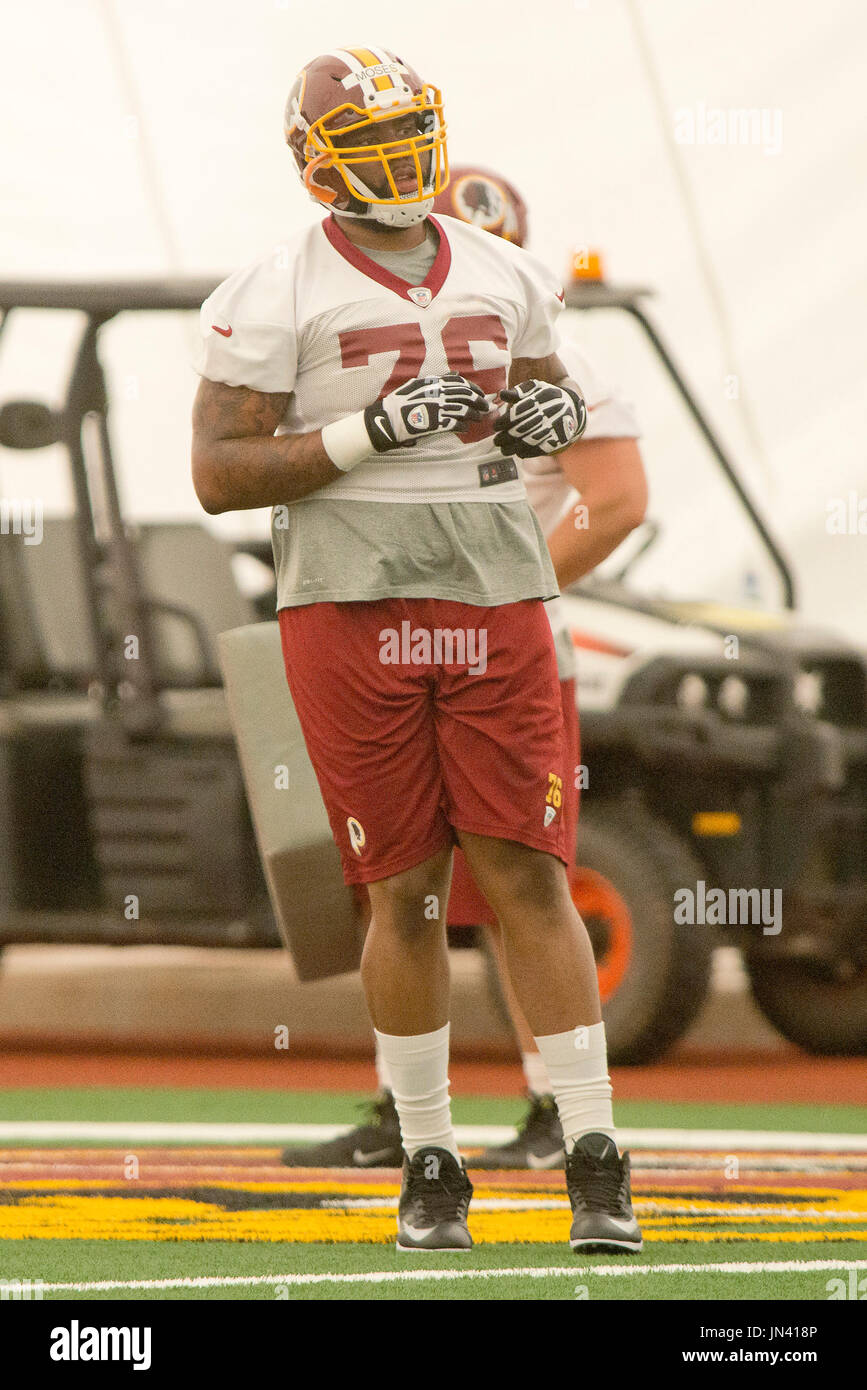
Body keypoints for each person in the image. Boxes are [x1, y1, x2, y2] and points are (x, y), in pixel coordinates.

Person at [191, 44, 642, 1255]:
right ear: (315, 165)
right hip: (349, 593)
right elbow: (219, 473)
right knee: (401, 885)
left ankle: (594, 1154)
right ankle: (432, 1156)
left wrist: (543, 412)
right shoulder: (270, 287)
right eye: (371, 149)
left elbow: (544, 403)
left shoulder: (508, 272)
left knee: (529, 872)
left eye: (409, 141)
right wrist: (363, 437)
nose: (398, 168)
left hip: (493, 582)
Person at [279, 165, 648, 1172]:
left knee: (515, 880)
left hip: (497, 639)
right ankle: (412, 1114)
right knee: (398, 883)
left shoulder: (543, 343)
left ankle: (553, 1111)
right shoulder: (336, 321)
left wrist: (512, 592)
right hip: (381, 626)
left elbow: (614, 498)